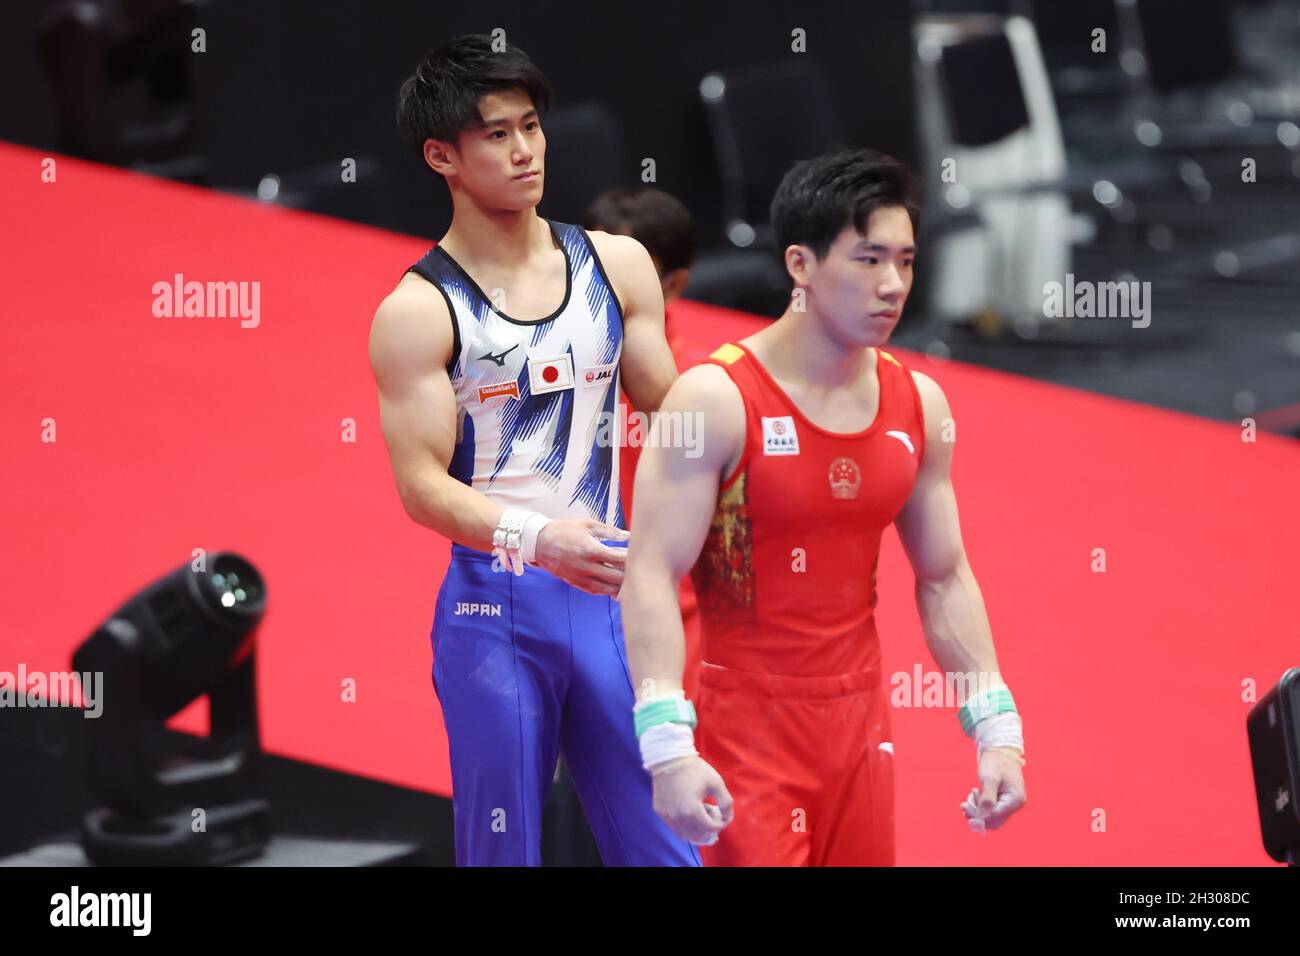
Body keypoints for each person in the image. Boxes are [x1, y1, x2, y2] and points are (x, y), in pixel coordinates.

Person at [619, 148, 1028, 865]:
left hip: (862, 726)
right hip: (744, 724)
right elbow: (650, 571)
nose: (893, 285)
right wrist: (665, 744)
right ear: (800, 265)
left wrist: (995, 727)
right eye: (868, 260)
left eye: (905, 261)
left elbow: (944, 575)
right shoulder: (715, 401)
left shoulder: (918, 405)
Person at [370, 34, 696, 866]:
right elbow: (418, 487)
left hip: (611, 601)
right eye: (497, 134)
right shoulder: (417, 311)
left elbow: (678, 409)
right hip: (495, 609)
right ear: (441, 155)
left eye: (532, 127)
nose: (526, 152)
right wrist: (539, 539)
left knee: (668, 844)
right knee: (501, 852)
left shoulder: (617, 266)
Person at [581, 187, 704, 701]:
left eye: (630, 272)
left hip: (669, 613)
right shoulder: (540, 360)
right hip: (563, 602)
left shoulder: (701, 386)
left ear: (672, 285)